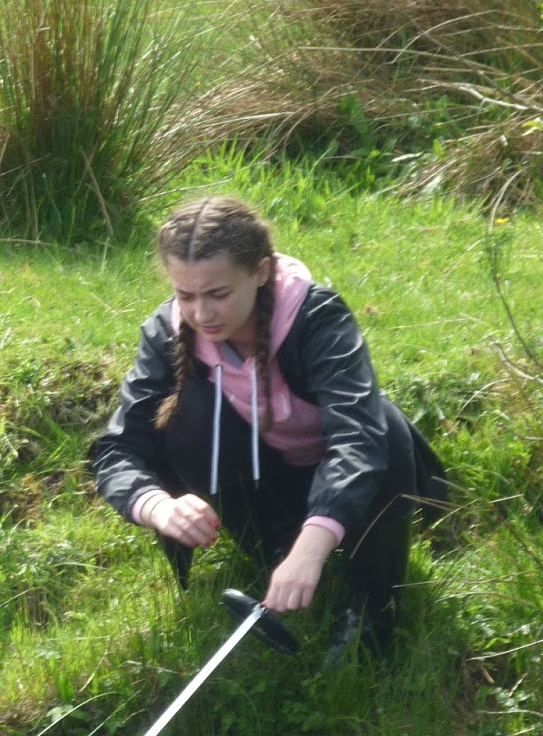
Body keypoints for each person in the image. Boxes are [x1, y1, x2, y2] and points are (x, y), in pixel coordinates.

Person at [90, 196, 446, 654]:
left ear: (260, 272)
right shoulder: (166, 332)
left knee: (385, 425)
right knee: (185, 416)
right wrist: (158, 505)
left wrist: (313, 547)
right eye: (186, 296)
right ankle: (271, 553)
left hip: (350, 479)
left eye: (218, 294)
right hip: (268, 481)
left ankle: (370, 607)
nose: (202, 315)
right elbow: (117, 448)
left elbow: (356, 440)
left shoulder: (317, 318)